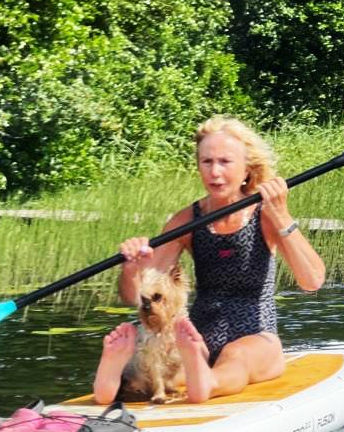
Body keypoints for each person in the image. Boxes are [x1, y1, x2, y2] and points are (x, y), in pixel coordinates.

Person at [92, 115, 326, 404]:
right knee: (164, 365)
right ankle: (115, 379)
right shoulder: (186, 221)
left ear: (246, 169)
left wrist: (282, 216)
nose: (215, 172)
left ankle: (206, 382)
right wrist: (131, 268)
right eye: (207, 162)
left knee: (235, 356)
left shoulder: (264, 214)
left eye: (225, 162)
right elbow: (135, 297)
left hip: (257, 337)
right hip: (198, 336)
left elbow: (312, 280)